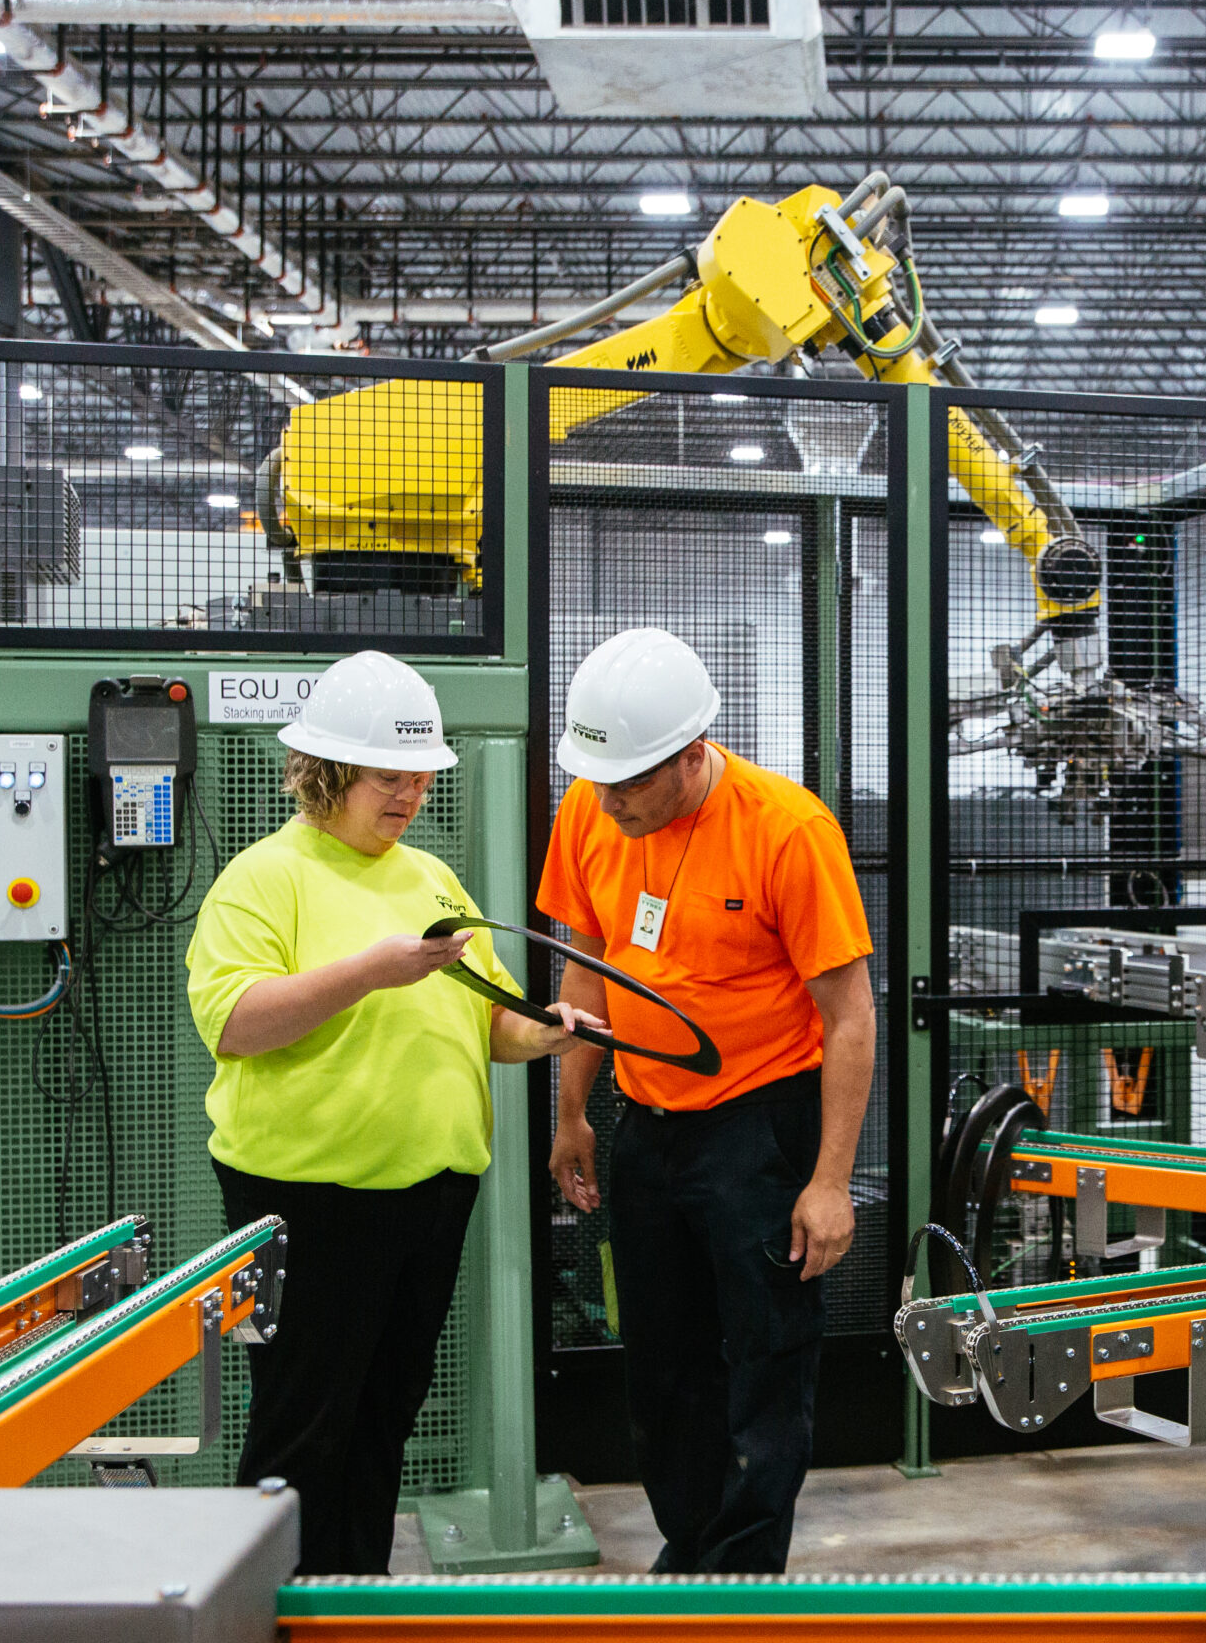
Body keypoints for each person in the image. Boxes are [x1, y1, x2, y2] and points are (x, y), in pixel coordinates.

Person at [187, 649, 603, 1576]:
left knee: (384, 1414)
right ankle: (277, 1620)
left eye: (421, 778)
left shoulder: (431, 878)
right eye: (390, 778)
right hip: (305, 1199)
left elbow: (488, 1016)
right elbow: (236, 1023)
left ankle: (355, 1599)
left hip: (429, 1193)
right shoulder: (264, 879)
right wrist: (371, 970)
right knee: (303, 1422)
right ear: (327, 773)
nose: (410, 794)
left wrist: (547, 1034)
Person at [540, 627, 876, 1575]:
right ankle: (690, 1549)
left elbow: (850, 1017)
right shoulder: (592, 805)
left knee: (766, 1362)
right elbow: (589, 959)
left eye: (632, 785)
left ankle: (742, 1579)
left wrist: (830, 1182)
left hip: (761, 1131)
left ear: (693, 754)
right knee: (663, 1364)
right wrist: (575, 1111)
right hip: (648, 1123)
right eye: (599, 782)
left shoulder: (788, 830)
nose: (611, 804)